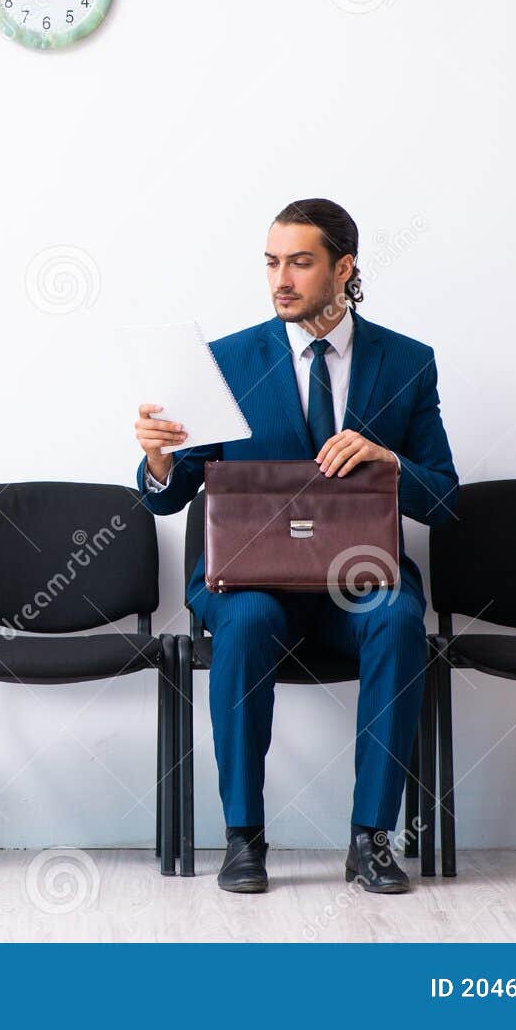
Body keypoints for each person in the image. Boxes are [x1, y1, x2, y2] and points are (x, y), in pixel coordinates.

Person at [133, 198, 458, 894]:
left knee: (400, 618)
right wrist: (159, 460)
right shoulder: (227, 359)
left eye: (300, 262)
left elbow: (445, 498)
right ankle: (243, 839)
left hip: (358, 583)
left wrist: (391, 462)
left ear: (344, 268)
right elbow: (171, 491)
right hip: (253, 580)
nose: (281, 279)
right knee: (247, 621)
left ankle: (371, 838)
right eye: (272, 262)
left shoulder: (406, 363)